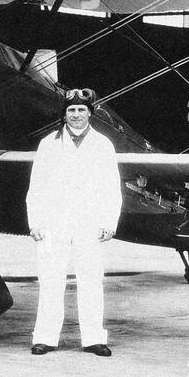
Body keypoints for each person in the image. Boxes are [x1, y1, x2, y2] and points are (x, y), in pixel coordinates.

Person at [25, 87, 123, 357]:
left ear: (90, 113)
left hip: (88, 223)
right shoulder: (49, 144)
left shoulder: (103, 145)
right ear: (64, 114)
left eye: (81, 110)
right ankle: (45, 337)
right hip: (54, 222)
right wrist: (35, 222)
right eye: (71, 110)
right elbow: (36, 187)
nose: (76, 115)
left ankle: (93, 338)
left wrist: (109, 222)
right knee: (50, 280)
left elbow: (112, 188)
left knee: (91, 280)